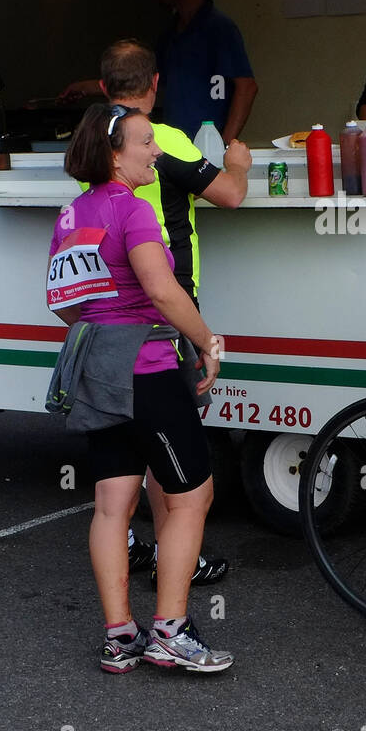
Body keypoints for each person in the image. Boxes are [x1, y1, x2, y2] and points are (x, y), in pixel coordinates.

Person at [49, 102, 233, 674]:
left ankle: (119, 635)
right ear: (114, 153)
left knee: (112, 505)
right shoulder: (133, 210)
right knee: (191, 495)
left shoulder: (71, 213)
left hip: (93, 366)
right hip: (147, 366)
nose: (156, 151)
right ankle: (170, 632)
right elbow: (162, 288)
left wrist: (106, 323)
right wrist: (206, 340)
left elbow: (62, 305)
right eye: (145, 143)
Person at [94, 38, 251, 586]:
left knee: (126, 457)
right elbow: (231, 195)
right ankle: (170, 560)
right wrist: (238, 162)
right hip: (168, 306)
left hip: (108, 317)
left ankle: (142, 563)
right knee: (173, 448)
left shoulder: (96, 143)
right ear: (156, 84)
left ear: (101, 87)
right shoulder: (166, 139)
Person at [150, 0, 258, 139]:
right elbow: (149, 83)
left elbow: (247, 87)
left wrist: (222, 147)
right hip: (173, 148)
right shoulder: (169, 33)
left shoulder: (219, 28)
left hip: (206, 148)